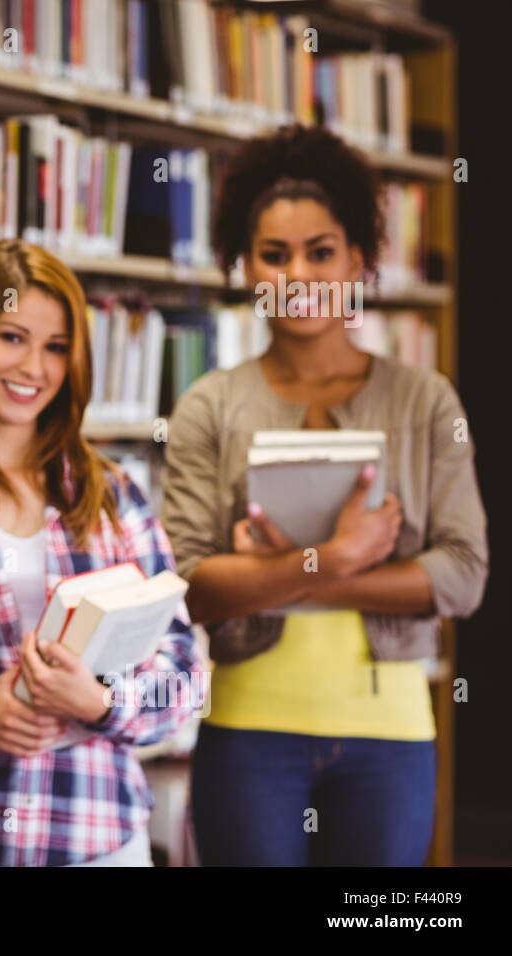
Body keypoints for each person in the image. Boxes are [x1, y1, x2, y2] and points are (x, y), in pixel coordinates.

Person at [161, 125, 489, 866]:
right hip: (248, 734)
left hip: (391, 739)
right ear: (244, 267)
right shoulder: (209, 406)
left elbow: (465, 575)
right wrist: (340, 556)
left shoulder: (426, 401)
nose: (298, 274)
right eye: (274, 256)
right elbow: (188, 590)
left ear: (358, 261)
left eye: (320, 251)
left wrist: (282, 573)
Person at [0, 239, 204, 866]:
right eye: (12, 337)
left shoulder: (115, 495)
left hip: (99, 833)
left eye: (55, 347)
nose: (34, 368)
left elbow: (185, 675)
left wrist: (102, 703)